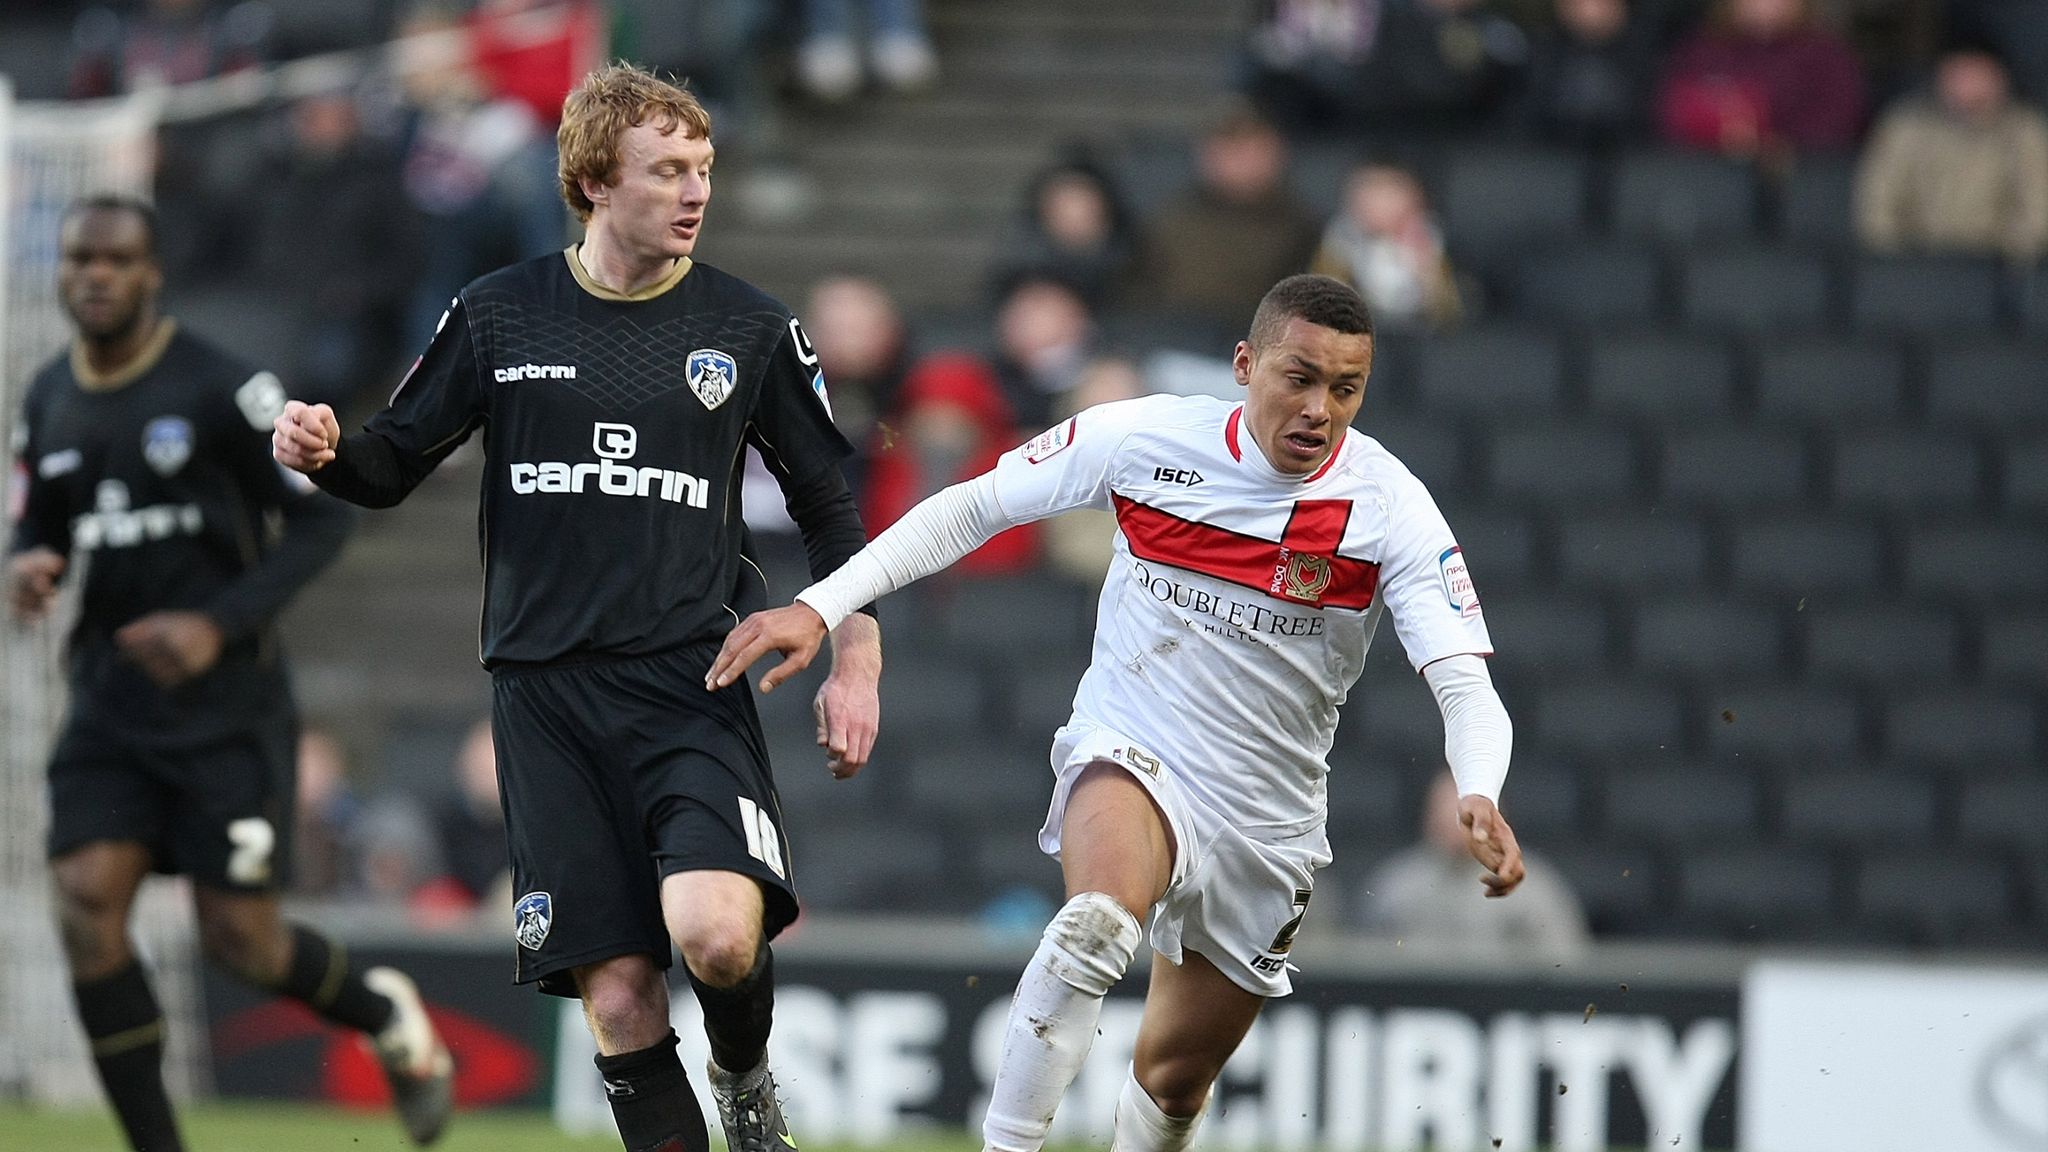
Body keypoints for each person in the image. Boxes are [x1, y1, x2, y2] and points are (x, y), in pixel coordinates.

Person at [710, 273, 1525, 1152]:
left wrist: (1479, 786)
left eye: (1346, 389)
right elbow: (972, 508)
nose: (1319, 409)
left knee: (1173, 1085)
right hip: (1139, 743)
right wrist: (823, 605)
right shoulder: (1143, 438)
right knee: (1097, 921)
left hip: (1267, 813)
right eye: (1299, 377)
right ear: (1245, 365)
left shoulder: (1387, 505)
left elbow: (1465, 680)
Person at [271, 63, 882, 1152]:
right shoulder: (499, 313)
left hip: (689, 683)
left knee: (716, 936)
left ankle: (743, 1086)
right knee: (615, 1002)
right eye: (667, 170)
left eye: (703, 168)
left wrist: (855, 661)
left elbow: (833, 511)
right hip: (544, 702)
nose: (695, 191)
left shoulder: (745, 327)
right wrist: (324, 452)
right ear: (596, 181)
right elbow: (386, 465)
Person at [7, 197, 452, 1151]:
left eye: (116, 259)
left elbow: (326, 515)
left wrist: (216, 626)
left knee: (239, 942)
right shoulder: (46, 398)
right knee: (85, 902)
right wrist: (27, 562)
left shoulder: (222, 388)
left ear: (152, 271)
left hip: (228, 706)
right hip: (110, 705)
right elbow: (37, 522)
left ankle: (381, 1012)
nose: (95, 275)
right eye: (80, 259)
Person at [1356, 770, 1587, 960]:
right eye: (1445, 810)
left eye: (1465, 816)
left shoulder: (1529, 887)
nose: (1455, 825)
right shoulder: (1397, 884)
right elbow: (1366, 965)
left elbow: (1564, 964)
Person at [1855, 45, 2048, 265]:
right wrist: (1897, 259)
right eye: (1956, 73)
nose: (1964, 84)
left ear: (1998, 78)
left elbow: (2037, 210)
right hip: (1916, 263)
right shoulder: (1905, 126)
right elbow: (1877, 204)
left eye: (1974, 74)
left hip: (1995, 266)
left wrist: (2004, 260)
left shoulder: (2024, 131)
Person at [1142, 106, 1320, 336]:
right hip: (1171, 340)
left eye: (1250, 148)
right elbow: (1136, 295)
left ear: (1275, 151)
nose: (1240, 161)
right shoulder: (1170, 219)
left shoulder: (1303, 226)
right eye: (1228, 148)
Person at [1658, 0, 1867, 160]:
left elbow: (1840, 120)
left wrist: (1772, 144)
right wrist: (1718, 136)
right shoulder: (1702, 50)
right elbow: (1672, 112)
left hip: (1798, 176)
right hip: (1707, 174)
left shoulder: (1827, 55)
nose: (1766, 4)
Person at [1308, 162, 1462, 331]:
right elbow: (1321, 305)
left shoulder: (1431, 238)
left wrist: (1426, 271)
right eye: (1368, 189)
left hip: (1424, 335)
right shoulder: (1342, 240)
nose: (1379, 202)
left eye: (1390, 191)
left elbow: (1450, 311)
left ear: (1417, 197)